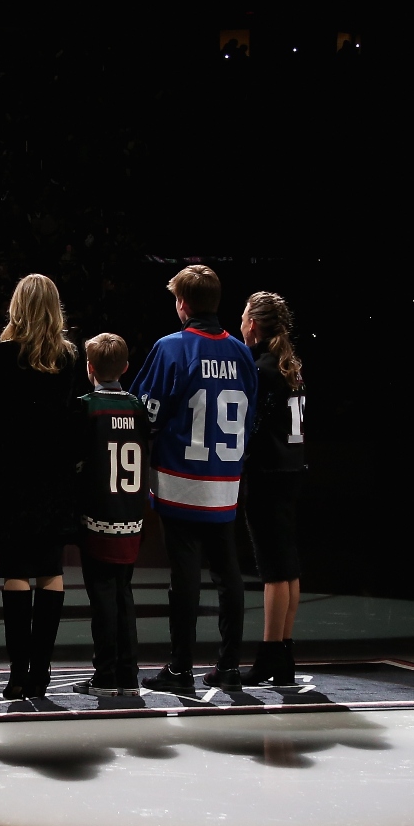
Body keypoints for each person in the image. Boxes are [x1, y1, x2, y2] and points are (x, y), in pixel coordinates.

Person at [130, 265, 257, 693]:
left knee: (184, 577)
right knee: (229, 574)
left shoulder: (171, 348)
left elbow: (144, 412)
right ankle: (230, 666)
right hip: (226, 483)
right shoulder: (241, 353)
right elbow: (250, 419)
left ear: (183, 303)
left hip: (181, 480)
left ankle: (181, 668)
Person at [0, 273, 84, 699]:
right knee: (50, 569)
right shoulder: (69, 357)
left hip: (13, 473)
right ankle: (42, 671)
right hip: (55, 475)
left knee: (15, 572)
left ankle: (17, 674)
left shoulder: (3, 356)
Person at [70, 333, 150, 697]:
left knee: (101, 596)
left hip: (98, 516)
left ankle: (104, 674)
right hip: (132, 516)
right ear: (126, 367)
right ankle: (129, 675)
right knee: (123, 594)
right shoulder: (137, 406)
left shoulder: (86, 406)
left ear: (90, 369)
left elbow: (76, 461)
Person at [238, 292, 307, 685]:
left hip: (269, 472)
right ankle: (284, 652)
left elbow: (256, 427)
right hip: (292, 470)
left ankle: (269, 655)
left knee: (273, 570)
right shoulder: (291, 365)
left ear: (255, 324)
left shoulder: (263, 369)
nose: (242, 324)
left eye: (245, 318)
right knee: (287, 565)